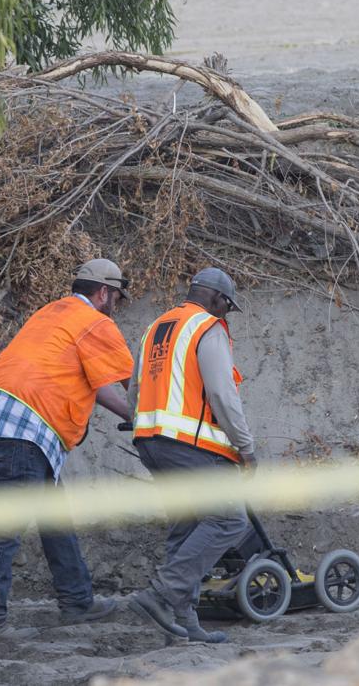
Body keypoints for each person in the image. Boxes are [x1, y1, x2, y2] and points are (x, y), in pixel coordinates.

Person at [0, 258, 135, 633]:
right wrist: (155, 415)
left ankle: (77, 601)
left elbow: (99, 386)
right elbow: (132, 383)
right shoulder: (95, 322)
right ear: (104, 292)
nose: (116, 306)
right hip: (25, 422)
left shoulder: (55, 312)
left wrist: (132, 414)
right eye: (117, 298)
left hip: (3, 409)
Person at [127, 267, 258, 643]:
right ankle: (162, 594)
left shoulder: (155, 328)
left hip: (151, 443)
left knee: (185, 526)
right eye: (227, 307)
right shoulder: (206, 328)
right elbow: (222, 394)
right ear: (217, 298)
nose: (226, 314)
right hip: (188, 445)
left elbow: (134, 391)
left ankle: (182, 623)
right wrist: (246, 448)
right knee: (228, 518)